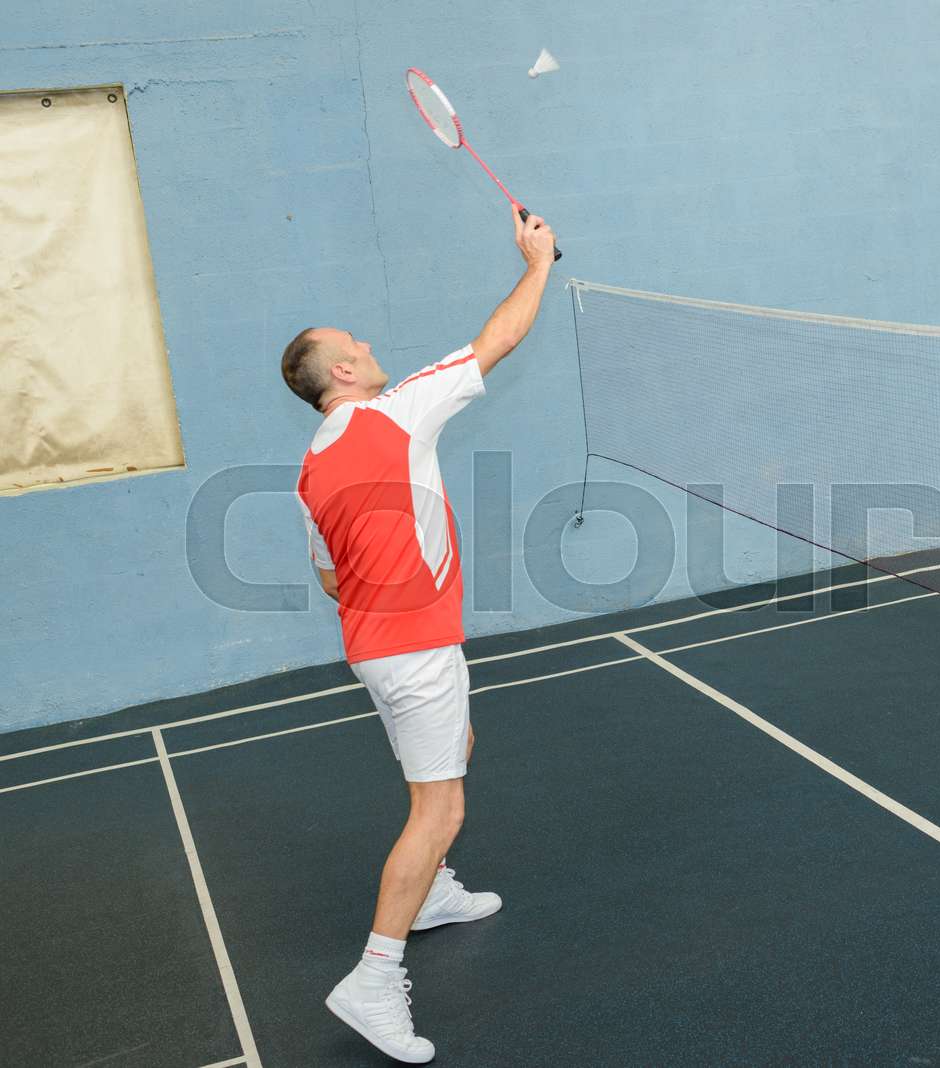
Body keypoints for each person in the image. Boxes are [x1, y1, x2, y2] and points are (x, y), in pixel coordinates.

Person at [282, 207, 557, 1063]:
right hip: (416, 646)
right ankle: (373, 975)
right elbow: (495, 341)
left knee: (455, 742)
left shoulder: (311, 471)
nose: (368, 344)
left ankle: (432, 893)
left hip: (374, 650)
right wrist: (537, 262)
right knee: (439, 804)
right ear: (342, 368)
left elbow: (328, 576)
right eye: (355, 341)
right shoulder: (394, 414)